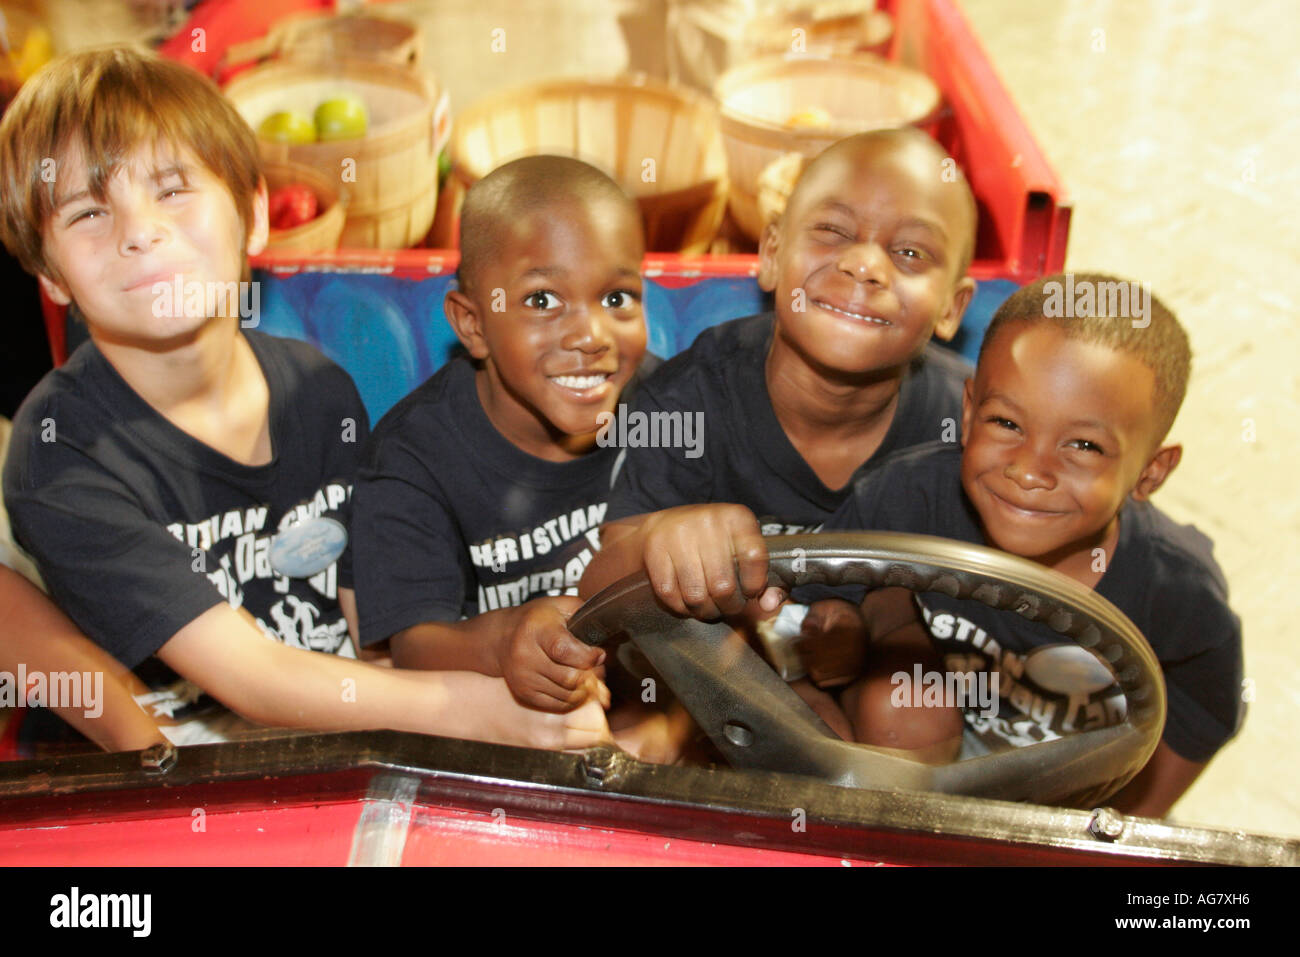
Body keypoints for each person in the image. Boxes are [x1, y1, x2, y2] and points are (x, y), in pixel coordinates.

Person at [0, 47, 608, 751]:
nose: (139, 232)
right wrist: (480, 708)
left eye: (172, 189)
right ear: (50, 277)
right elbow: (252, 677)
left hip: (345, 732)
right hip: (182, 765)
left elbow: (371, 627)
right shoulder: (59, 449)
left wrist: (505, 665)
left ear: (254, 216)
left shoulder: (321, 390)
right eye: (87, 213)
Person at [673, 273, 1245, 817]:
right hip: (919, 755)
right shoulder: (905, 497)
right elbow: (810, 613)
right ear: (967, 415)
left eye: (1085, 447)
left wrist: (1123, 824)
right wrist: (847, 631)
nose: (1029, 470)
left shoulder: (1178, 590)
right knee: (898, 705)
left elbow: (1198, 720)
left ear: (1151, 471)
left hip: (1070, 784)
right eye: (1007, 424)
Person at [578, 128, 979, 757]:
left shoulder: (974, 426)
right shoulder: (689, 403)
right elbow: (599, 583)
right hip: (732, 659)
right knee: (797, 741)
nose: (864, 265)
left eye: (908, 253)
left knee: (914, 714)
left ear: (952, 308)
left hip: (888, 652)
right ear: (769, 252)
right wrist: (659, 541)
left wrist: (874, 629)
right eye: (833, 231)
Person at [351, 155, 657, 741]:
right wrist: (508, 640)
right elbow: (414, 645)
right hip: (507, 726)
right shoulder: (412, 457)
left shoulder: (665, 414)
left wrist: (668, 733)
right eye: (542, 300)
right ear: (471, 325)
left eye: (617, 298)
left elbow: (720, 606)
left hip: (652, 714)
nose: (591, 336)